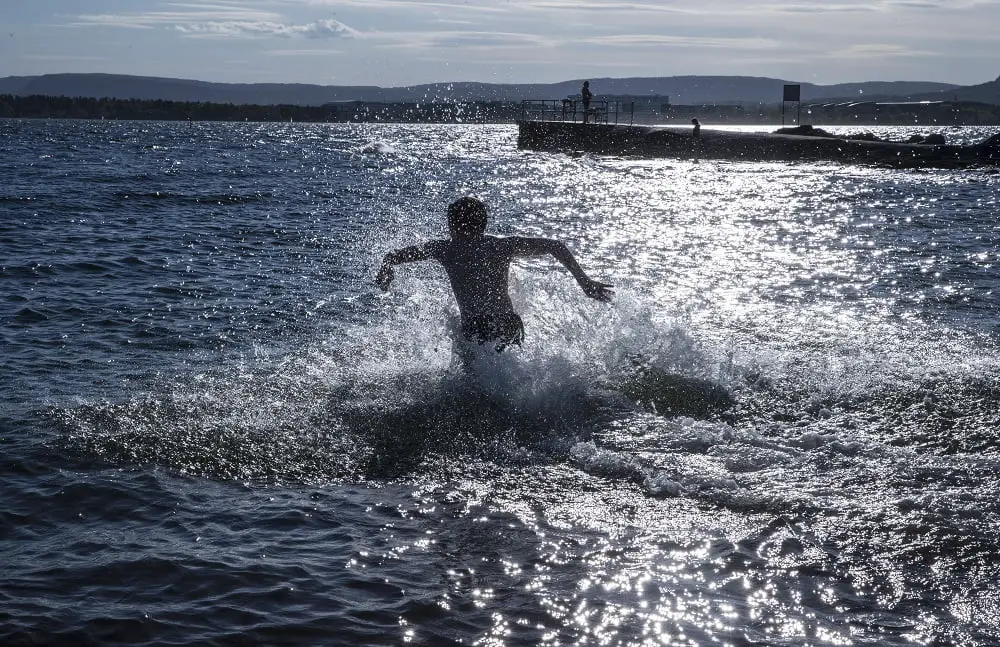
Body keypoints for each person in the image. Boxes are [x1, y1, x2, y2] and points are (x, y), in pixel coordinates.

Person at [375, 197, 613, 353]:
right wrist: (585, 282)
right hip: (508, 322)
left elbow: (393, 256)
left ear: (451, 226)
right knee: (509, 375)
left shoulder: (446, 249)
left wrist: (386, 271)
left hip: (475, 326)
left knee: (475, 385)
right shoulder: (502, 246)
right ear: (484, 224)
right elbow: (557, 246)